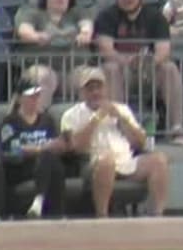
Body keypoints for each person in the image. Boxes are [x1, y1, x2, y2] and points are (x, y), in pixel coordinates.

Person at [60, 67, 169, 219]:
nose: (96, 92)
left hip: (126, 161)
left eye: (99, 87)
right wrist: (97, 118)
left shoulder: (121, 109)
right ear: (82, 92)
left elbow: (142, 143)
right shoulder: (71, 115)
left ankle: (158, 214)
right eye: (90, 89)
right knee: (107, 161)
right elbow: (77, 147)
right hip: (93, 163)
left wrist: (122, 120)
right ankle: (103, 216)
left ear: (106, 89)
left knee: (159, 160)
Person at [93, 0, 183, 144]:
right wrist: (128, 61)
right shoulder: (107, 16)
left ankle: (177, 129)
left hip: (149, 70)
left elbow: (163, 50)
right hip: (121, 71)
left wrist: (146, 63)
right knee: (110, 68)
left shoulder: (155, 16)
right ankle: (118, 126)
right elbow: (105, 49)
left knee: (170, 68)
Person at [0, 84, 67, 219]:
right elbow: (12, 147)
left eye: (36, 96)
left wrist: (60, 145)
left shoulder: (47, 120)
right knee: (48, 157)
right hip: (21, 166)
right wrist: (41, 149)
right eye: (30, 97)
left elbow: (54, 143)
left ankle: (40, 203)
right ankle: (57, 213)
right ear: (19, 99)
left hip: (47, 164)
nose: (34, 100)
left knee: (53, 162)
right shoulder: (10, 122)